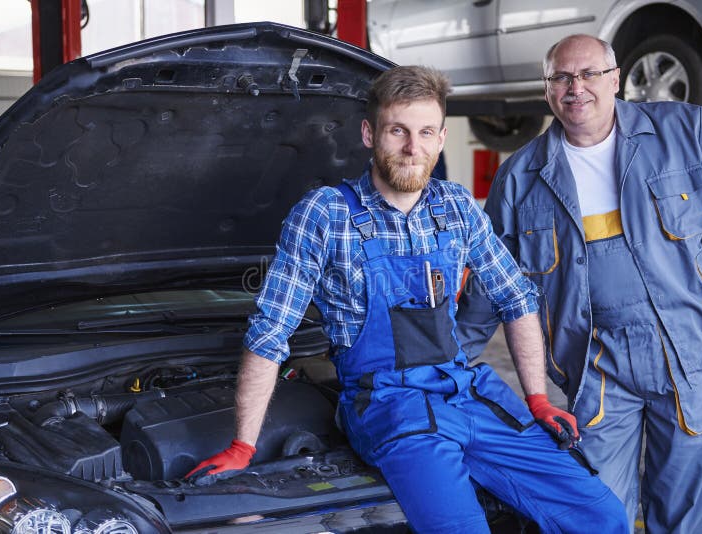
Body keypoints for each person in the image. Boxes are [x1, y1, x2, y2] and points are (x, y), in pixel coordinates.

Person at [186, 65, 628, 533]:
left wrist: (537, 399)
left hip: (467, 394)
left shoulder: (456, 207)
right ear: (369, 133)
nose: (412, 148)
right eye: (398, 131)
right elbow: (271, 331)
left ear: (441, 138)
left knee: (601, 515)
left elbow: (517, 298)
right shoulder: (326, 214)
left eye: (425, 132)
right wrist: (243, 446)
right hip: (389, 406)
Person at [455, 34, 702, 533]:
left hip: (689, 351)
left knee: (688, 519)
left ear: (615, 79)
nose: (577, 88)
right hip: (596, 365)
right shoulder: (521, 176)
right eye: (562, 78)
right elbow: (493, 281)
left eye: (589, 73)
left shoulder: (682, 130)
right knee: (594, 513)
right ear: (547, 90)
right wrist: (443, 355)